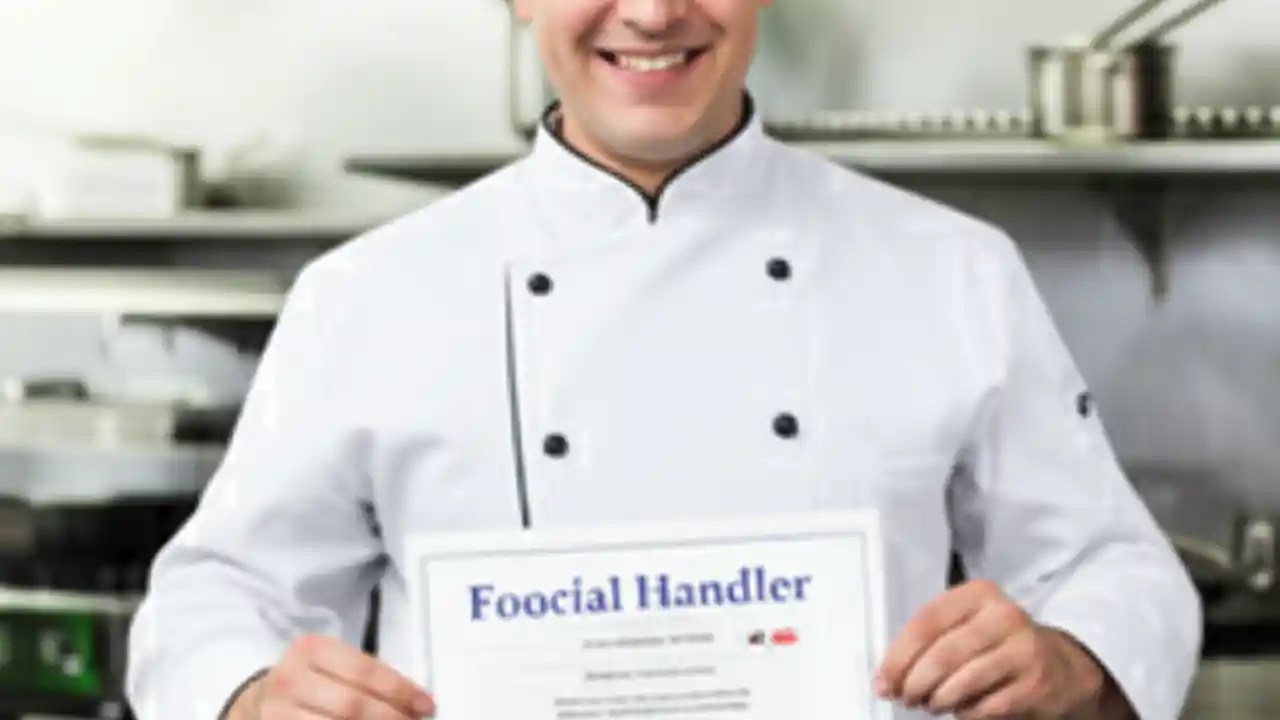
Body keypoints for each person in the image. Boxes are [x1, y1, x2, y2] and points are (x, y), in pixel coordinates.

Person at [127, 1, 1202, 719]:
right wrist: (254, 694)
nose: (649, 12)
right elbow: (206, 599)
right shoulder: (365, 296)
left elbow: (1120, 569)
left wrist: (1069, 660)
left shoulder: (949, 269)